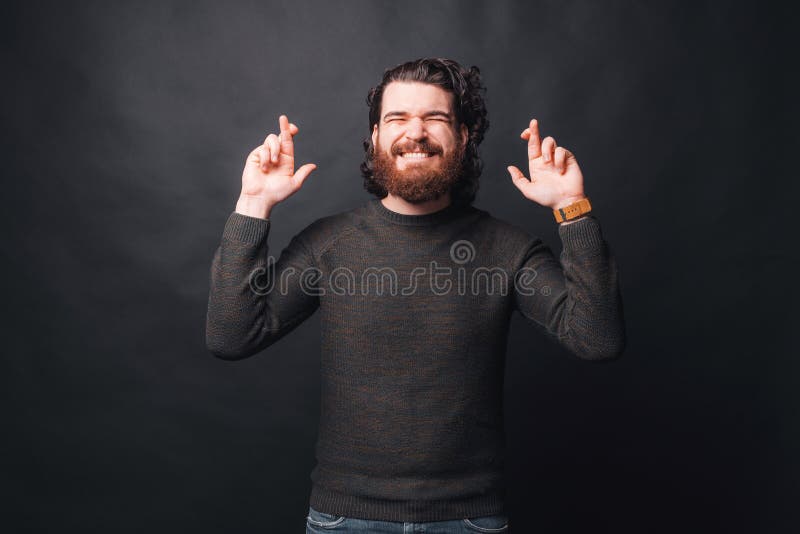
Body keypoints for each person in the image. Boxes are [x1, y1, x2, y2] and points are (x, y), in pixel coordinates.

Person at [205, 57, 625, 533]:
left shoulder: (507, 249)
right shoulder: (327, 244)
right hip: (345, 519)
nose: (416, 132)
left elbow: (598, 340)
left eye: (436, 118)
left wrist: (573, 208)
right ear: (376, 137)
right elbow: (232, 336)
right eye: (397, 118)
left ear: (463, 137)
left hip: (469, 519)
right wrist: (253, 204)